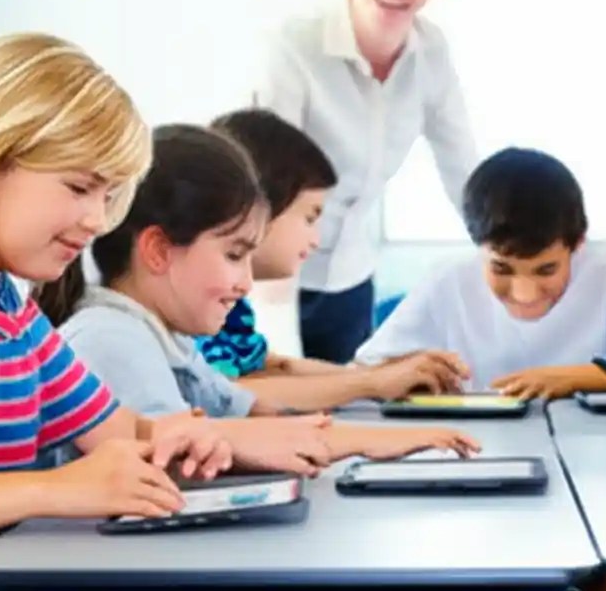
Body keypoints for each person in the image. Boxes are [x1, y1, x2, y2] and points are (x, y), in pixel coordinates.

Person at [39, 126, 479, 472]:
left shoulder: (160, 336)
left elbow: (251, 411)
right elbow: (176, 462)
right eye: (234, 255)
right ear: (157, 250)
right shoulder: (110, 337)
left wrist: (376, 436)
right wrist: (364, 425)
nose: (246, 283)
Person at [0, 32, 234, 528]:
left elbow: (117, 431)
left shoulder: (12, 314)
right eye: (79, 187)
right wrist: (51, 488)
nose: (98, 221)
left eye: (106, 196)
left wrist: (168, 439)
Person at [256, 0, 477, 363]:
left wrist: (513, 257)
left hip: (349, 281)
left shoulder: (432, 54)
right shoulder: (295, 45)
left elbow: (464, 173)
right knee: (278, 412)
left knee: (347, 417)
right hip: (270, 272)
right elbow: (271, 191)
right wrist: (276, 328)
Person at [196, 109, 469, 410]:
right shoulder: (200, 299)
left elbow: (270, 367)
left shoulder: (233, 306)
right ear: (263, 208)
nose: (316, 239)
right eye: (310, 217)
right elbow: (227, 394)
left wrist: (384, 376)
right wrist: (369, 383)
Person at [356, 148, 606, 397]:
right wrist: (412, 375)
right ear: (477, 244)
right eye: (501, 268)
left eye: (546, 269)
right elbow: (365, 371)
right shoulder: (447, 279)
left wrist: (566, 378)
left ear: (578, 244)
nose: (524, 294)